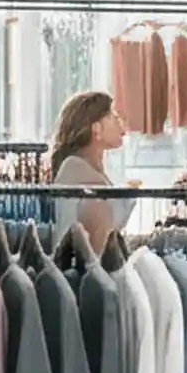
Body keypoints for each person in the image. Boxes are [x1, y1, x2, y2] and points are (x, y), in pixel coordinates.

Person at [50, 90, 137, 252]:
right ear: (96, 128)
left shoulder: (92, 170)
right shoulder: (75, 169)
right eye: (113, 118)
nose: (122, 128)